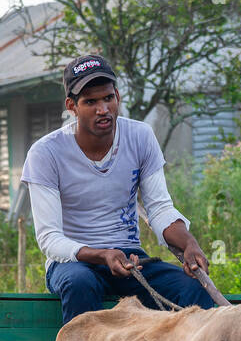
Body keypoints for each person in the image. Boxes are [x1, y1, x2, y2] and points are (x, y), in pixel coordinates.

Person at [20, 54, 216, 324]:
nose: (103, 109)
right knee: (79, 284)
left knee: (192, 288)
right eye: (90, 102)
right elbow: (50, 239)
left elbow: (159, 209)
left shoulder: (140, 136)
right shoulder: (46, 153)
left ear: (118, 97)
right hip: (73, 264)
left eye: (108, 98)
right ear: (71, 106)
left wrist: (190, 244)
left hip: (129, 259)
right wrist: (101, 255)